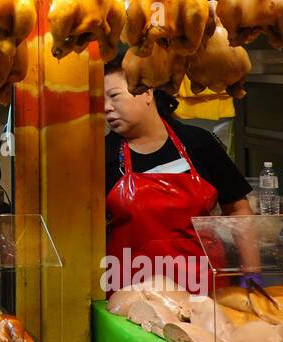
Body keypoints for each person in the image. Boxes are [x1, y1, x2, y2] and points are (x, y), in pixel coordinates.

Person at [104, 54, 259, 292]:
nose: (106, 108)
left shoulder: (198, 142)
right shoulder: (104, 155)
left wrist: (251, 272)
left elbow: (238, 208)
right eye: (101, 101)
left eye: (114, 96)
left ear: (146, 92)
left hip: (203, 290)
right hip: (133, 294)